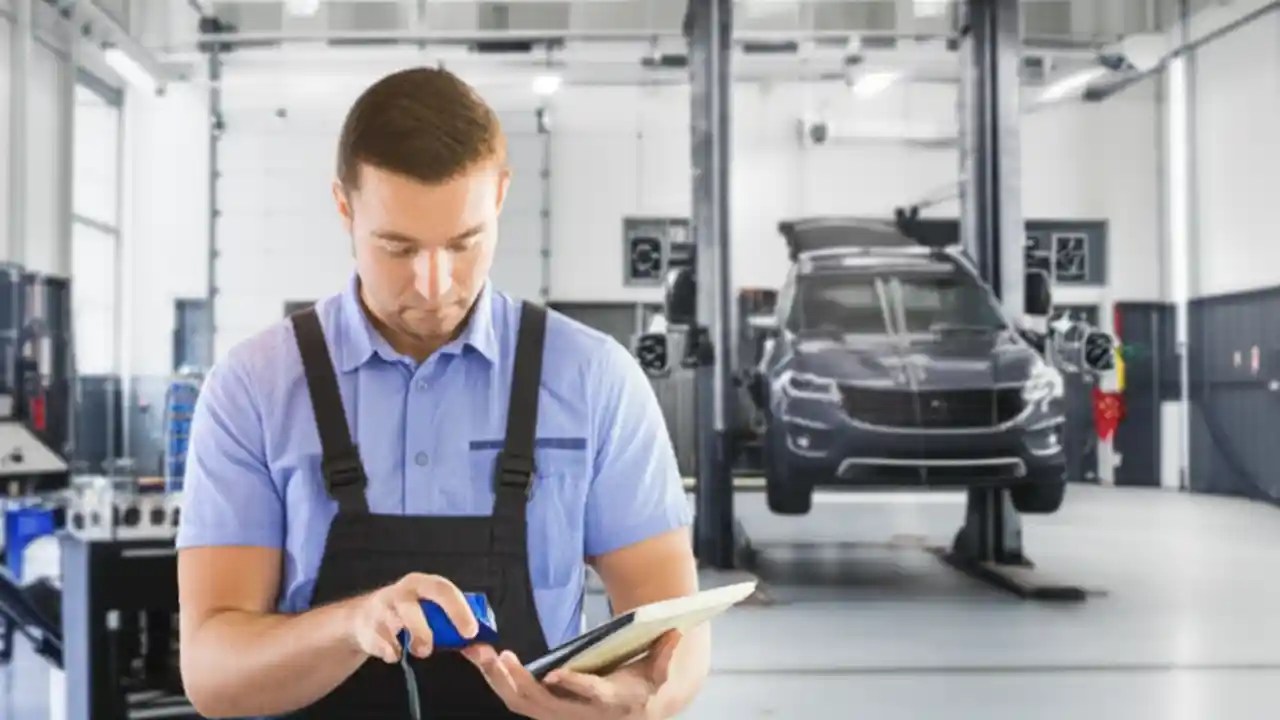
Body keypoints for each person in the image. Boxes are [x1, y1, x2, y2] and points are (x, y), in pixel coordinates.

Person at [176, 67, 708, 719]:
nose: (434, 285)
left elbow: (676, 633)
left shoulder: (593, 379)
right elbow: (212, 672)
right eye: (397, 247)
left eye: (464, 243)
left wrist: (641, 697)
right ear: (344, 205)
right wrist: (353, 626)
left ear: (502, 196)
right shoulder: (254, 388)